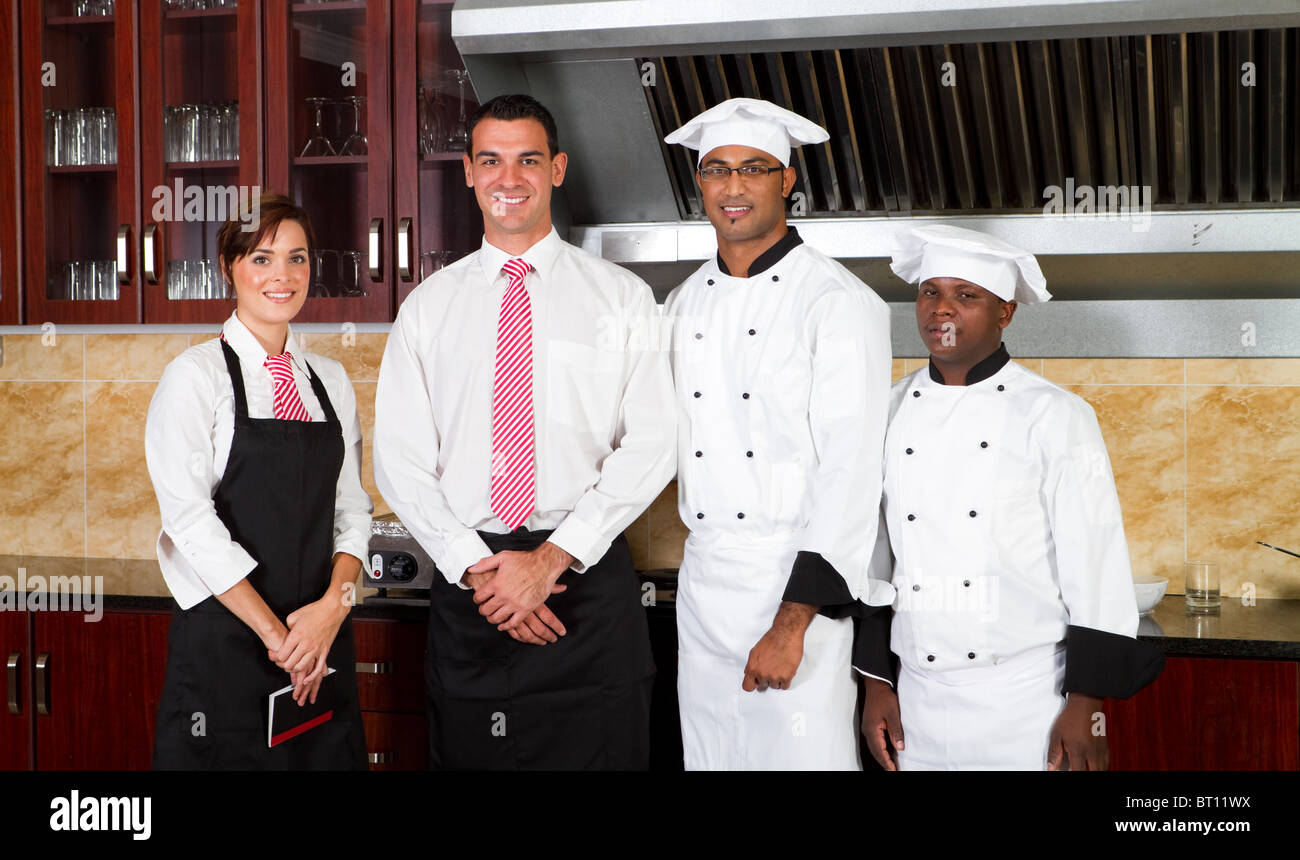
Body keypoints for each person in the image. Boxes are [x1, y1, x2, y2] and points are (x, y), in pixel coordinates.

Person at [373, 93, 676, 770]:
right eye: (492, 161)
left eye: (529, 160)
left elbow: (656, 439)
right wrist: (480, 571)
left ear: (558, 169)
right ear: (470, 173)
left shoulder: (622, 298)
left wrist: (552, 559)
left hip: (584, 588)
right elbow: (398, 460)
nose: (510, 178)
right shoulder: (427, 308)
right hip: (469, 590)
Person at [856, 223, 1164, 771]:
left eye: (966, 295)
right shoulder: (887, 409)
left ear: (1005, 313)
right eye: (931, 292)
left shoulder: (1055, 415)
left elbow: (1094, 568)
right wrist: (877, 682)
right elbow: (874, 556)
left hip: (1027, 703)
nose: (941, 309)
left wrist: (1086, 705)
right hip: (918, 704)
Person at [662, 98, 894, 769]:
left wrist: (790, 625)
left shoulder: (837, 303)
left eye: (753, 169)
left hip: (796, 593)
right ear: (700, 183)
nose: (733, 188)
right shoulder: (682, 304)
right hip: (705, 588)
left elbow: (850, 475)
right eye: (716, 170)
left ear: (786, 181)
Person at [147, 194, 371, 769]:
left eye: (297, 259)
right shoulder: (194, 378)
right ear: (231, 267)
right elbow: (191, 522)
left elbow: (352, 510)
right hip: (233, 638)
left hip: (319, 642)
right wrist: (279, 638)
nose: (283, 276)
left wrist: (331, 611)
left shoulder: (332, 381)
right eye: (263, 258)